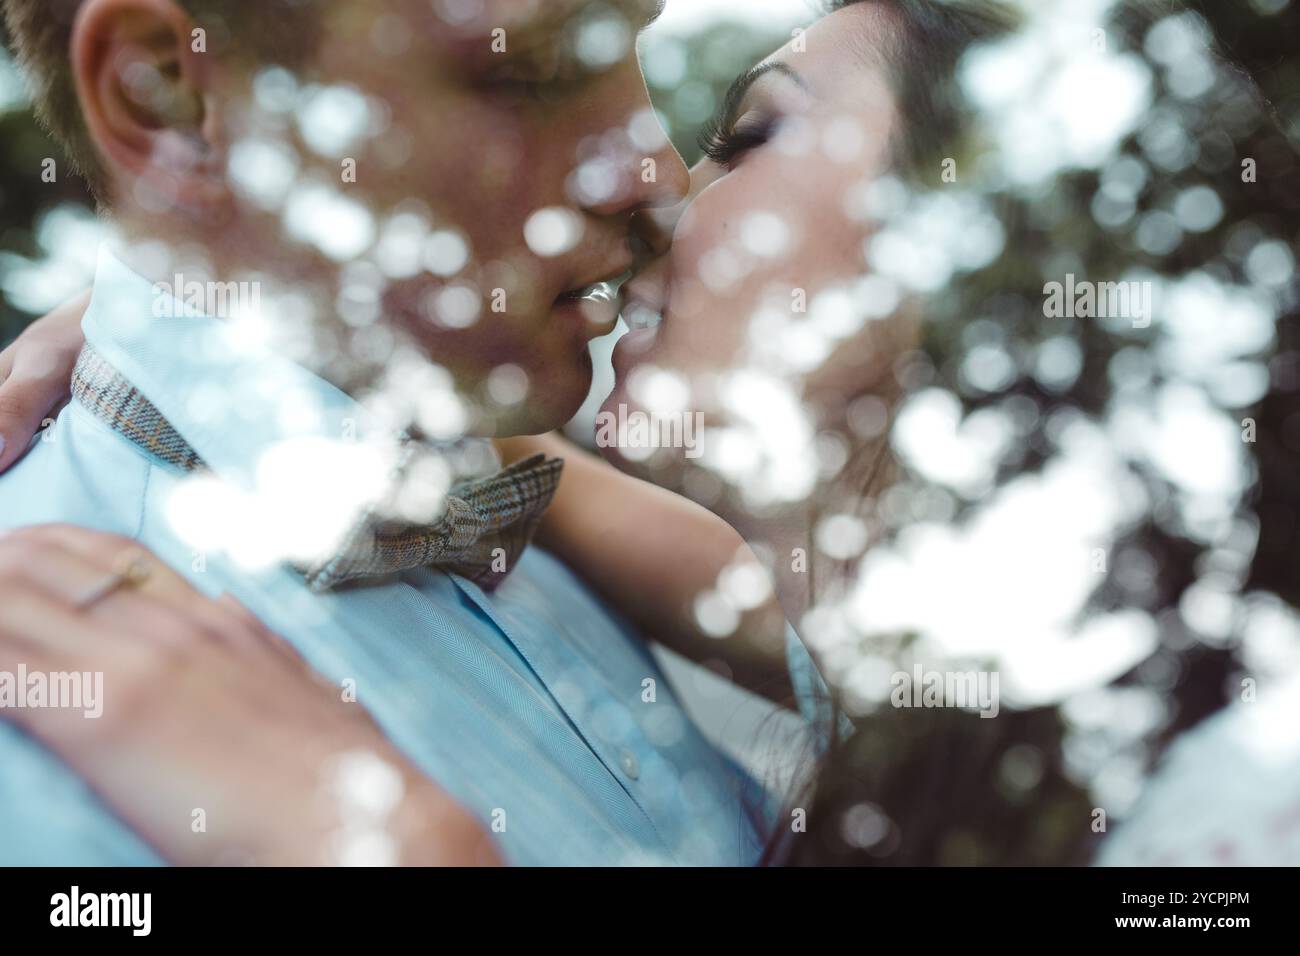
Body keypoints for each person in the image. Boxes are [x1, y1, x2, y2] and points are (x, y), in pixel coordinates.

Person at [0, 0, 801, 867]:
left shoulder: (551, 508)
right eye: (536, 67)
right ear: (161, 101)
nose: (661, 174)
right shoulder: (54, 741)